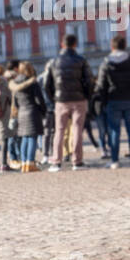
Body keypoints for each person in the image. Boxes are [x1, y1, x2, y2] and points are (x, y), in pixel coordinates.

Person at [42, 33, 94, 171]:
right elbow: (89, 81)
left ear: (62, 44)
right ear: (75, 44)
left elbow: (47, 84)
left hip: (61, 100)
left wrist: (54, 98)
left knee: (59, 131)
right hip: (79, 99)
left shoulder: (54, 61)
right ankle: (77, 162)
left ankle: (56, 162)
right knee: (77, 130)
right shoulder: (81, 60)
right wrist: (87, 96)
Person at [94, 34, 130, 168]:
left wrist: (104, 100)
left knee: (114, 131)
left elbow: (101, 85)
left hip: (113, 99)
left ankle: (115, 161)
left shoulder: (106, 63)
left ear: (112, 46)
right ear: (125, 45)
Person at [9, 62, 46, 172]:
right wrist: (43, 110)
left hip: (21, 112)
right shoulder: (32, 83)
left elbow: (15, 102)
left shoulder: (15, 83)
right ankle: (30, 163)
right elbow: (39, 99)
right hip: (32, 111)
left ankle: (24, 163)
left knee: (24, 138)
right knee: (32, 137)